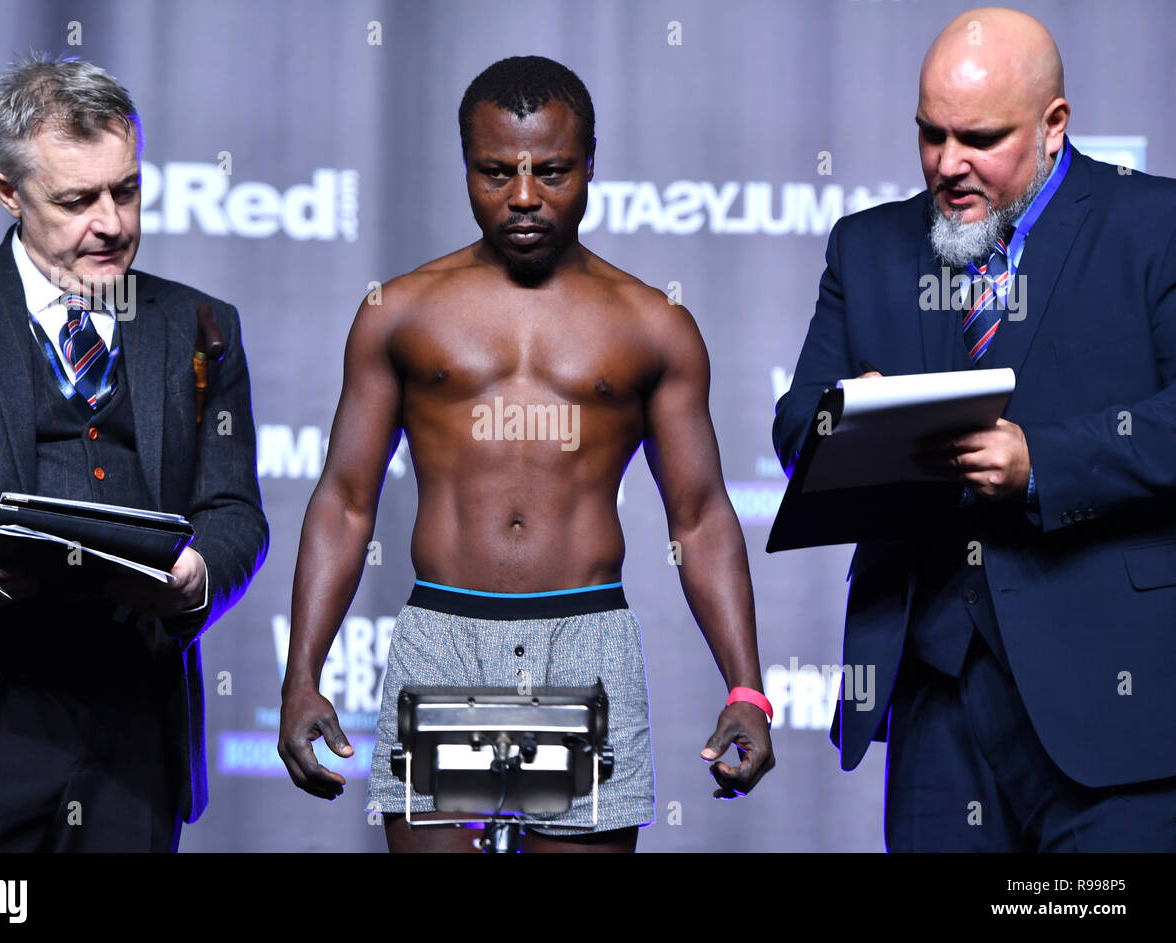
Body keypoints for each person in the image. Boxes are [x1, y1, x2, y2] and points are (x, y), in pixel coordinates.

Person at [280, 55, 774, 853]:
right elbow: (344, 500)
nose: (522, 197)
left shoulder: (653, 325)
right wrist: (302, 673)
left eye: (552, 171)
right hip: (445, 634)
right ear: (464, 165)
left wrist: (746, 685)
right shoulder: (398, 313)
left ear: (591, 163)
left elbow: (703, 514)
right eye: (494, 172)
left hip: (585, 640)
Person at [773, 7, 1176, 851]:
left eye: (980, 139)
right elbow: (794, 422)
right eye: (930, 135)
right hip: (935, 699)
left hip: (1117, 707)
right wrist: (847, 419)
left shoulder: (1155, 226)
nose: (948, 165)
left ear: (1055, 124)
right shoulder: (867, 246)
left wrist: (1043, 462)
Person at [0, 53, 268, 852]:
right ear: (7, 195)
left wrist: (197, 582)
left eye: (125, 189)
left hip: (132, 745)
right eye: (76, 199)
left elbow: (233, 510)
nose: (112, 222)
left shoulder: (201, 325)